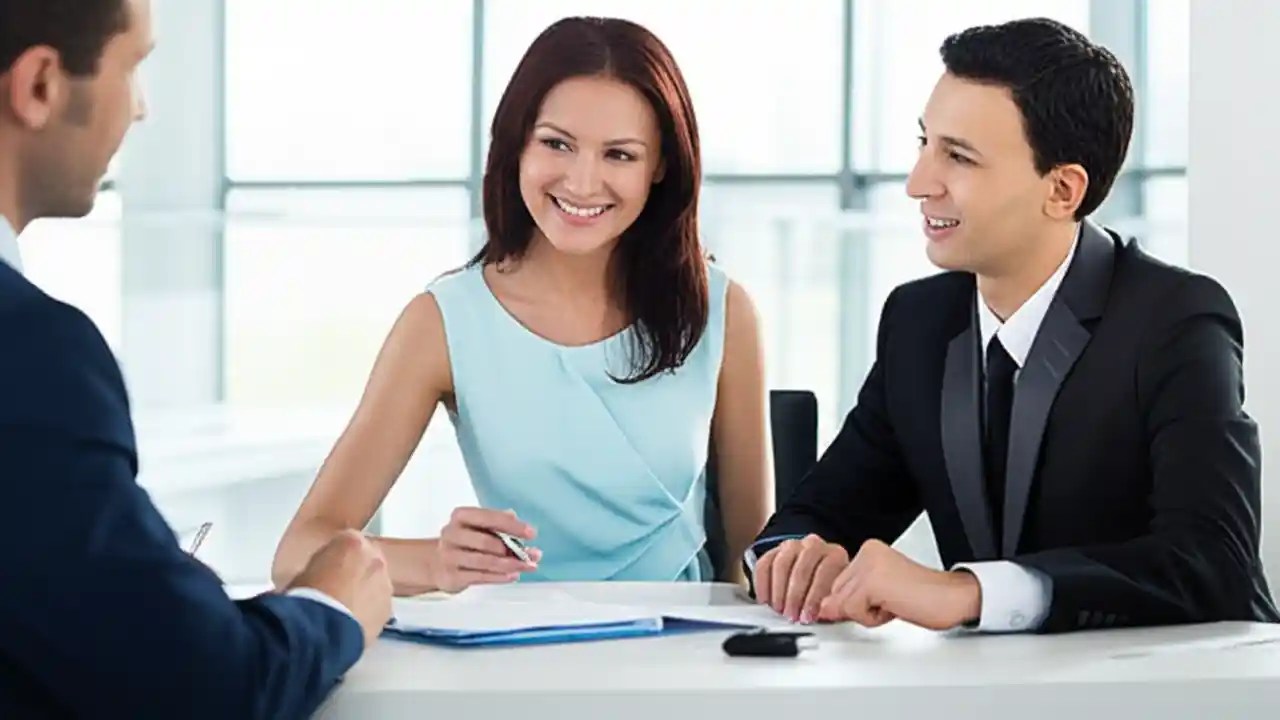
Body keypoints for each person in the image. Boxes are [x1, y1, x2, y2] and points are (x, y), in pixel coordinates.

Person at [751, 17, 1280, 634]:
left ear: (1062, 190)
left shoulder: (1175, 319)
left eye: (958, 157)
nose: (919, 183)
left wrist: (971, 592)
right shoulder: (918, 322)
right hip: (990, 691)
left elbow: (1213, 566)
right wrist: (794, 556)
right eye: (924, 143)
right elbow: (817, 514)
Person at [273, 17, 772, 594]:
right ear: (516, 146)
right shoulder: (443, 322)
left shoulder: (723, 311)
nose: (583, 182)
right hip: (514, 655)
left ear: (661, 167)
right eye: (556, 143)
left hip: (683, 654)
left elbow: (753, 562)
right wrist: (433, 562)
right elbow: (297, 553)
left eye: (620, 155)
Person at [0, 1, 393, 716]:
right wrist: (329, 605)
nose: (142, 109)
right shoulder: (29, 351)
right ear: (40, 86)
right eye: (133, 66)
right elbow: (207, 685)